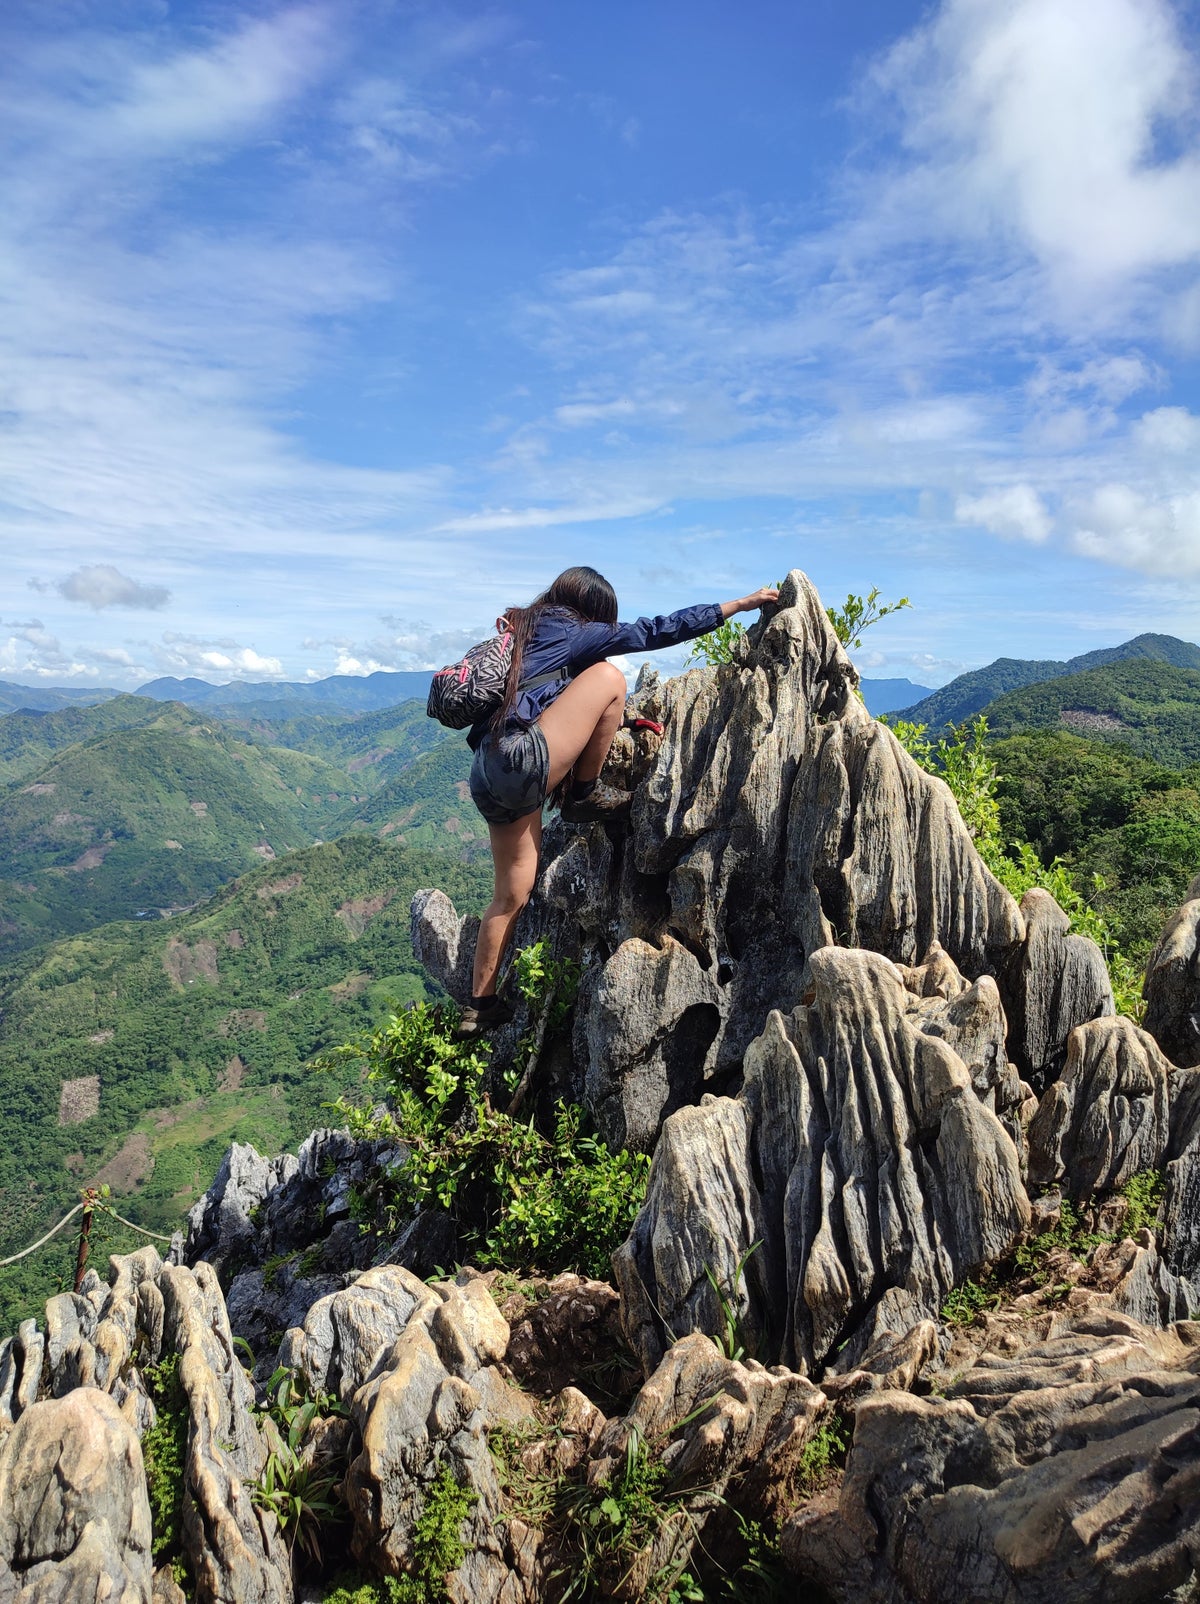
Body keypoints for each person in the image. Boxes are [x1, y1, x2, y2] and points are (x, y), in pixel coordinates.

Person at [457, 566, 779, 1036]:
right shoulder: (572, 629)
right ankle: (585, 794)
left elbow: (547, 699)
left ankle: (479, 1005)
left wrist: (624, 723)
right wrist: (732, 607)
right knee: (611, 677)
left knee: (510, 895)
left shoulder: (526, 628)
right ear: (593, 609)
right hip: (524, 759)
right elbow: (651, 632)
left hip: (488, 773)